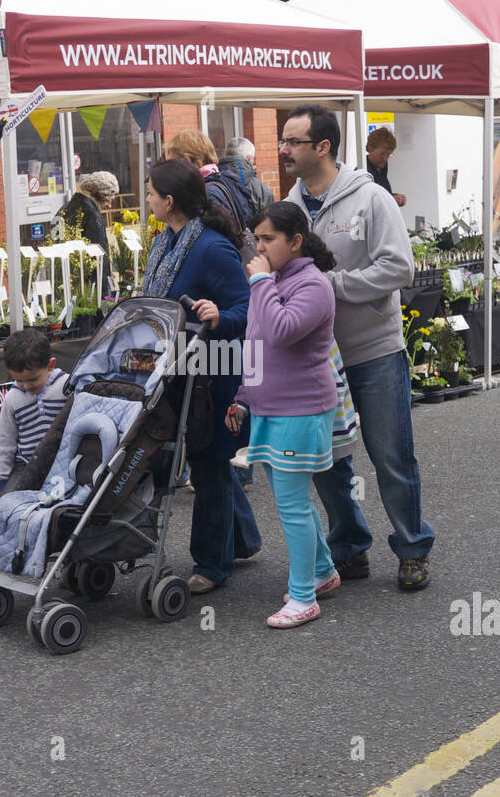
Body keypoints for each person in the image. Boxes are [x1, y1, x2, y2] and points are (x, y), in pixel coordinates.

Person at [281, 104, 433, 591]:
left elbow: (399, 268)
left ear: (322, 147)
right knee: (327, 461)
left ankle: (412, 548)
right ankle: (350, 547)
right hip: (318, 356)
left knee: (391, 456)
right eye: (283, 140)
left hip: (374, 350)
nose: (283, 149)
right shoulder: (292, 203)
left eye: (293, 142)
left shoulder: (371, 199)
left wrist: (333, 285)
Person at [142, 159, 258, 594]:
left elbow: (249, 309)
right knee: (210, 464)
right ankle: (243, 540)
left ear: (169, 201)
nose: (147, 198)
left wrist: (218, 315)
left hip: (213, 372)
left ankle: (212, 565)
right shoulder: (164, 243)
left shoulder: (211, 248)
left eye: (152, 192)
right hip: (177, 368)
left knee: (208, 464)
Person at [228, 202, 338, 628]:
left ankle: (304, 597)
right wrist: (242, 396)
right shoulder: (270, 281)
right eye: (256, 238)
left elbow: (280, 330)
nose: (259, 247)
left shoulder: (312, 285)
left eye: (268, 239)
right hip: (271, 409)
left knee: (291, 504)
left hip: (302, 408)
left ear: (295, 242)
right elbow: (254, 341)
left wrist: (259, 282)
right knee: (293, 499)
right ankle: (323, 571)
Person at [163, 129, 258, 265]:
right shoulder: (224, 178)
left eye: (172, 164)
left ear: (187, 160)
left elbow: (215, 243)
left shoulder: (206, 191)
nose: (169, 171)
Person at [0, 329, 69, 492]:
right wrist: (2, 478)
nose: (26, 386)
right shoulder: (12, 399)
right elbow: (5, 442)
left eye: (32, 379)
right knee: (7, 505)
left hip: (64, 461)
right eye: (19, 380)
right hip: (27, 465)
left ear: (50, 365)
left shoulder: (67, 387)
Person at [59, 170, 117, 289]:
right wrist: (105, 285)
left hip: (67, 279)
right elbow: (98, 255)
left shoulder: (68, 206)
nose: (109, 206)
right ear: (101, 194)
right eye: (109, 200)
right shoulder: (93, 215)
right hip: (88, 287)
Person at [219, 136, 274, 215]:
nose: (254, 163)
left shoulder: (213, 181)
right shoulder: (262, 190)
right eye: (253, 159)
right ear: (248, 159)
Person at [366, 127, 407, 207]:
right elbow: (369, 202)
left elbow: (382, 193)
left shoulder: (381, 169)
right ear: (370, 148)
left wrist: (395, 197)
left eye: (389, 154)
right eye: (382, 153)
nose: (385, 158)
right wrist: (391, 199)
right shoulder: (363, 171)